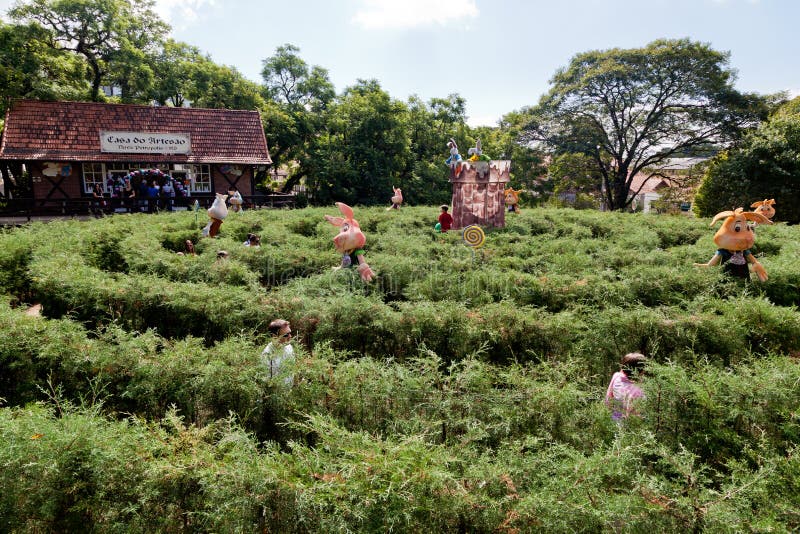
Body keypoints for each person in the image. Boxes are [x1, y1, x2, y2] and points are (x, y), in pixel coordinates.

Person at [604, 352, 646, 421]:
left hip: (615, 419)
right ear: (640, 371)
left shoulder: (616, 377)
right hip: (630, 426)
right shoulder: (639, 391)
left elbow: (608, 398)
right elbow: (640, 414)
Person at [260, 319, 295, 386]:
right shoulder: (267, 354)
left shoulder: (289, 347)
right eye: (286, 335)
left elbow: (292, 370)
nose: (290, 336)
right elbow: (265, 381)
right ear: (274, 336)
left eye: (290, 333)